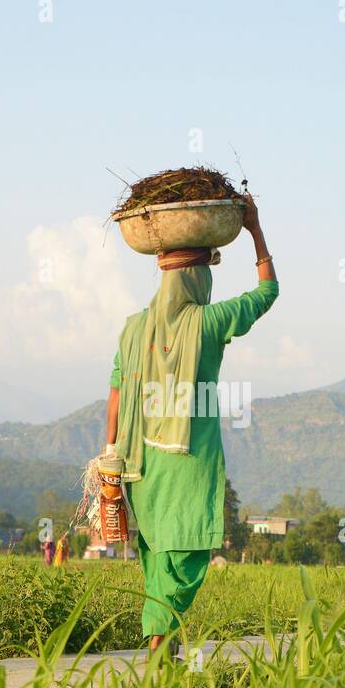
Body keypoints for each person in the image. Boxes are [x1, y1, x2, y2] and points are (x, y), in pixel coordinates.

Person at [106, 193, 278, 656]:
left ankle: (164, 644)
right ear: (198, 279)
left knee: (160, 551)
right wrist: (255, 230)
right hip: (186, 459)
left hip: (137, 459)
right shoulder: (207, 320)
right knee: (188, 551)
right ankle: (161, 643)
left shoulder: (133, 328)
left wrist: (109, 455)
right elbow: (267, 293)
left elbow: (117, 390)